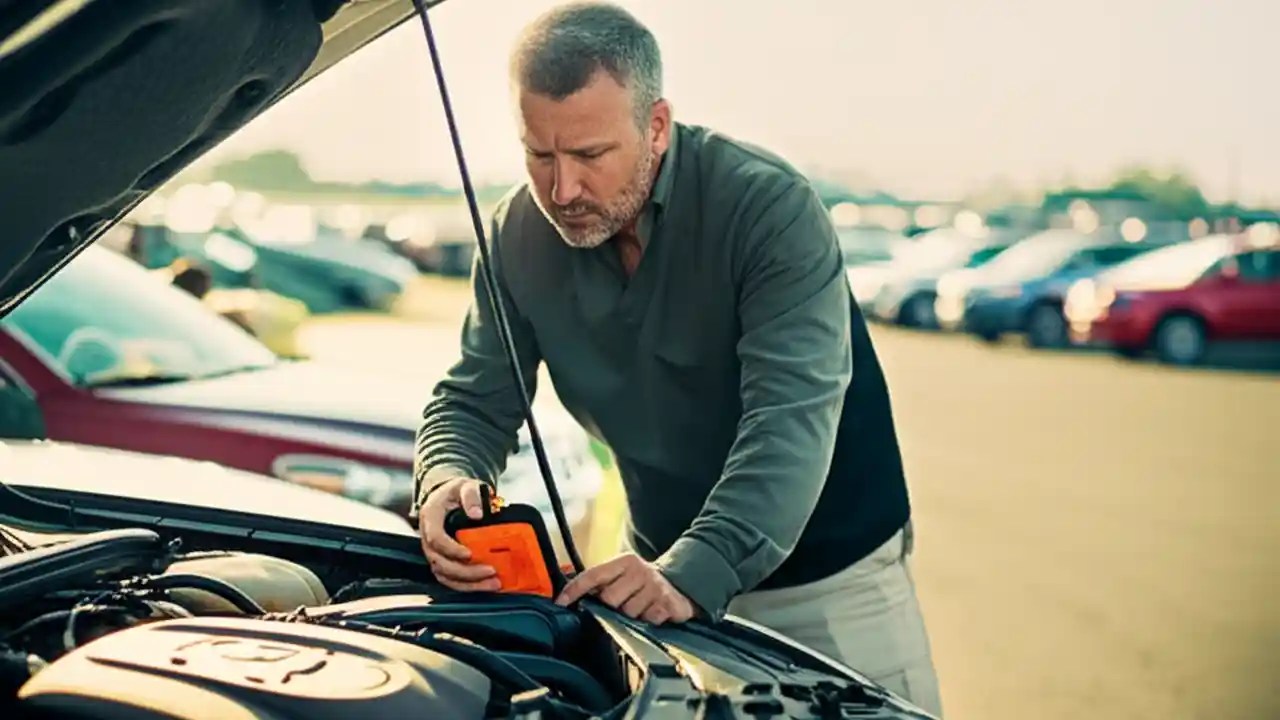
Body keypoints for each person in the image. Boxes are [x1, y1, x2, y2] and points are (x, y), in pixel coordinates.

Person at [413, 2, 942, 714]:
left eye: (591, 156)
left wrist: (697, 572)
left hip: (828, 581)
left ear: (656, 127)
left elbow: (788, 418)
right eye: (540, 155)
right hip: (656, 582)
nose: (562, 190)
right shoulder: (515, 233)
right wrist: (446, 477)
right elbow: (476, 397)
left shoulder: (768, 209)